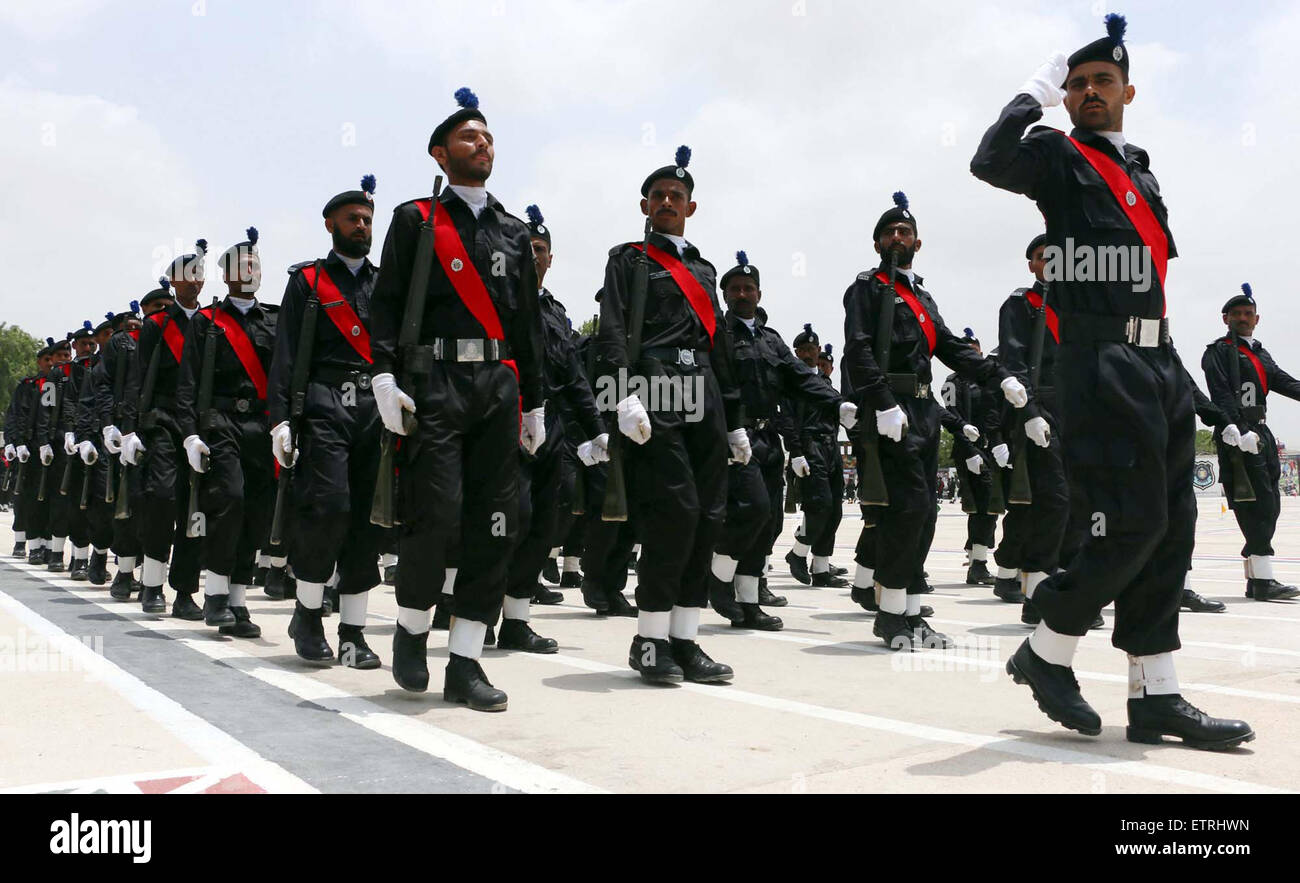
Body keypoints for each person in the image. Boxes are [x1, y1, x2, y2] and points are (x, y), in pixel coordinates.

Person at [971, 13, 1253, 748]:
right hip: (1101, 365)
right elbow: (991, 160)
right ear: (1065, 99)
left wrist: (1192, 391)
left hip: (1158, 362)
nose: (1090, 91)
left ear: (1129, 89)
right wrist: (1034, 88)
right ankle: (1047, 647)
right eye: (1077, 85)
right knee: (1131, 524)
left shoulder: (1143, 173)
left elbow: (1151, 291)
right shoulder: (1061, 161)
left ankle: (1155, 694)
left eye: (1102, 81)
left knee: (1172, 531)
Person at [369, 89, 546, 710]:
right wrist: (383, 377)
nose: (483, 144)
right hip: (435, 385)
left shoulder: (513, 231)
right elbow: (384, 304)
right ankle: (413, 629)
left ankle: (466, 660)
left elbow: (525, 325)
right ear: (441, 154)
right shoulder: (416, 220)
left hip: (497, 387)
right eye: (470, 137)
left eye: (489, 136)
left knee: (497, 523)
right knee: (436, 515)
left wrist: (535, 404)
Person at [844, 190, 1029, 651]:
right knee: (905, 513)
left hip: (925, 413)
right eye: (889, 232)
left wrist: (997, 374)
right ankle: (891, 617)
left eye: (905, 232)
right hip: (894, 412)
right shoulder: (866, 288)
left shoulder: (921, 296)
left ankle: (906, 609)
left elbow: (947, 346)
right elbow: (859, 348)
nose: (897, 237)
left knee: (924, 513)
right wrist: (883, 401)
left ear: (917, 243)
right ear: (877, 244)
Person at [594, 145, 747, 684]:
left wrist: (736, 418)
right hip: (655, 387)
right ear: (645, 205)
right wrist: (622, 395)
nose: (666, 202)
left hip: (702, 387)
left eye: (676, 197)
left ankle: (686, 639)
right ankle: (649, 638)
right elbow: (612, 328)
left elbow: (720, 345)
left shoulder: (704, 269)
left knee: (708, 513)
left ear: (690, 207)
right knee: (674, 512)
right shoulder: (629, 259)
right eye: (658, 196)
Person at [271, 176, 389, 668]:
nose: (361, 227)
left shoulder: (386, 284)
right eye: (351, 220)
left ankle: (355, 633)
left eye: (366, 220)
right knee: (328, 509)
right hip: (324, 404)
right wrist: (281, 420)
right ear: (330, 225)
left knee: (368, 520)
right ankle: (308, 613)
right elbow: (286, 355)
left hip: (373, 406)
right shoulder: (308, 282)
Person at [709, 255, 852, 630]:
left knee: (769, 520)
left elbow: (798, 378)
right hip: (734, 437)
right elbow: (713, 386)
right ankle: (718, 576)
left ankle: (750, 602)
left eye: (749, 288)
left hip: (768, 436)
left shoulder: (771, 340)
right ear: (724, 295)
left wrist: (839, 404)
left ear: (759, 294)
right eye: (735, 289)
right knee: (752, 509)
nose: (742, 294)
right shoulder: (716, 335)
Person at [499, 204, 606, 652]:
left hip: (554, 427)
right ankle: (472, 607)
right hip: (507, 421)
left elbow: (574, 375)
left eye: (540, 249)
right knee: (510, 518)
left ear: (549, 258)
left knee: (547, 520)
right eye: (527, 248)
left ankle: (516, 620)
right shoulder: (500, 299)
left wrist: (595, 428)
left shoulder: (555, 312)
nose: (534, 255)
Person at [177, 228, 275, 639]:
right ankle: (214, 594)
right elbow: (188, 382)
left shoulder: (275, 319)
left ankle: (237, 599)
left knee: (256, 510)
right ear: (228, 274)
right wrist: (190, 434)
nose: (250, 268)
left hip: (262, 426)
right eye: (242, 263)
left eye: (255, 262)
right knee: (229, 500)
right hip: (220, 424)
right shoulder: (208, 322)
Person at [1202, 283, 1300, 602]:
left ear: (1257, 318)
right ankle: (1263, 580)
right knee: (1255, 505)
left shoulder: (1259, 352)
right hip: (1239, 434)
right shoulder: (1217, 352)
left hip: (1262, 432)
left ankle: (1257, 576)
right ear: (1225, 318)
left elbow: (1282, 381)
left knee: (1271, 503)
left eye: (1248, 314)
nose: (1242, 318)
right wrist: (1232, 427)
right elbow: (1221, 393)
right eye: (1236, 314)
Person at [126, 261, 206, 619]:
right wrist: (130, 428)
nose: (193, 281)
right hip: (163, 421)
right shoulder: (157, 326)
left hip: (203, 425)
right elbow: (138, 378)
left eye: (198, 275)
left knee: (197, 509)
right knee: (161, 498)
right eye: (185, 275)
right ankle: (153, 583)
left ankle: (185, 591)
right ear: (174, 282)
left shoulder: (213, 324)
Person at [940, 330, 1005, 587]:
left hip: (991, 450)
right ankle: (977, 564)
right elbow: (954, 417)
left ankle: (976, 558)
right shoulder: (953, 382)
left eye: (975, 349)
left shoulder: (988, 378)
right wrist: (969, 451)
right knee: (983, 504)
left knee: (989, 506)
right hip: (970, 451)